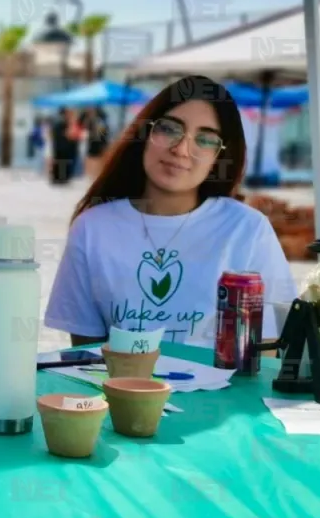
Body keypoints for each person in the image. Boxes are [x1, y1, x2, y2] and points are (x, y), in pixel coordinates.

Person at [44, 75, 296, 348]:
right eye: (169, 129)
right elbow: (86, 353)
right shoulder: (93, 228)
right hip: (120, 389)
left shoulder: (247, 229)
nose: (181, 149)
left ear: (219, 157)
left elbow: (268, 347)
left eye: (205, 139)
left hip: (221, 391)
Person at [84, 106, 111, 178]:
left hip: (98, 143)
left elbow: (102, 133)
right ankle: (93, 174)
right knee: (93, 158)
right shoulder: (92, 120)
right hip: (95, 142)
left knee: (97, 159)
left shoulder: (99, 120)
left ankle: (95, 174)